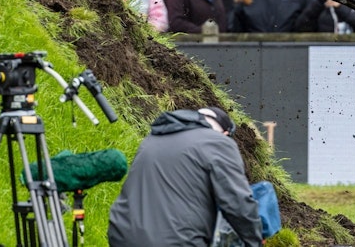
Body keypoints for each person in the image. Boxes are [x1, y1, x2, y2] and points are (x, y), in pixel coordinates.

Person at [108, 106, 262, 247]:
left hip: (122, 235)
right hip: (176, 240)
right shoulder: (219, 142)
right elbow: (237, 201)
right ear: (226, 133)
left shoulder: (152, 140)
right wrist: (255, 242)